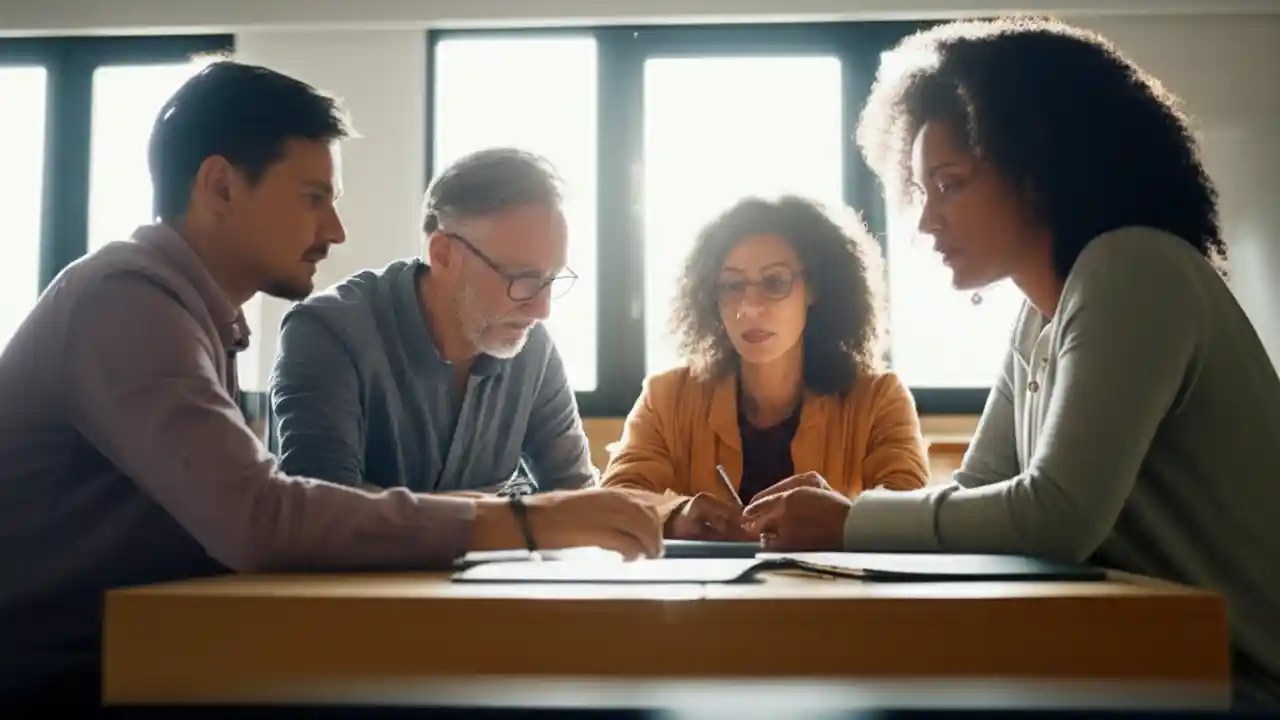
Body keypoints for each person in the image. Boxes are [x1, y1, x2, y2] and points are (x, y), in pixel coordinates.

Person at [0, 61, 660, 705]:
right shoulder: (126, 302)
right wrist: (522, 518)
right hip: (55, 676)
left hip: (141, 656)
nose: (336, 231)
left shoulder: (193, 316)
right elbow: (263, 520)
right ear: (221, 187)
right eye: (313, 198)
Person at [740, 18, 1280, 708]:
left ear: (1039, 168)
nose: (926, 220)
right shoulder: (1041, 314)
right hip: (1163, 660)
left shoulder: (1134, 268)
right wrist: (842, 522)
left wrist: (847, 521)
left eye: (950, 184)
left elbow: (1054, 517)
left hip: (1245, 682)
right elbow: (981, 490)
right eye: (923, 190)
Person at [601, 196, 929, 541]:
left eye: (774, 283)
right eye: (732, 286)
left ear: (815, 288)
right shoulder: (668, 397)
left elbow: (911, 514)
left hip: (829, 579)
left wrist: (839, 515)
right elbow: (613, 499)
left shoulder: (878, 399)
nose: (749, 308)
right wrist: (674, 515)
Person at [269, 148, 593, 495]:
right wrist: (505, 513)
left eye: (550, 279)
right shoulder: (326, 334)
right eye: (522, 278)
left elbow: (577, 496)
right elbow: (327, 510)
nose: (541, 310)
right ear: (443, 255)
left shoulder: (532, 345)